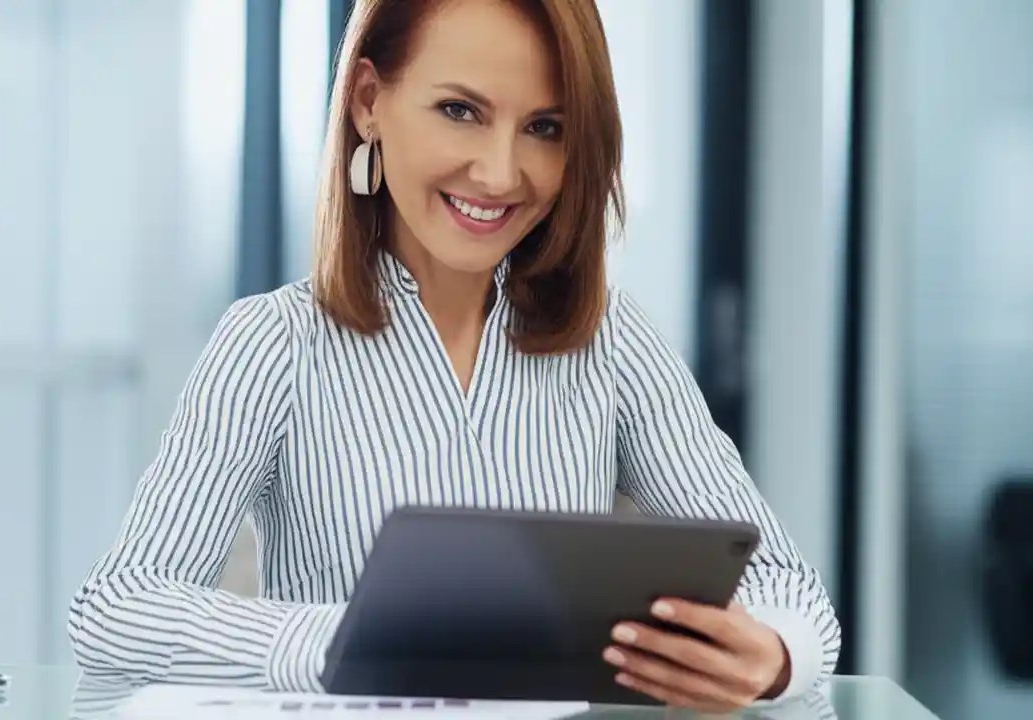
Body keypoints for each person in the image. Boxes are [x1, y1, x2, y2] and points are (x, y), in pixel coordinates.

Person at [68, 0, 841, 712]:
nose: (501, 174)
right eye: (460, 111)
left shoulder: (612, 340)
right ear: (369, 102)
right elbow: (117, 608)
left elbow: (792, 593)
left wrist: (770, 656)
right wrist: (353, 641)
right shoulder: (274, 343)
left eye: (546, 127)